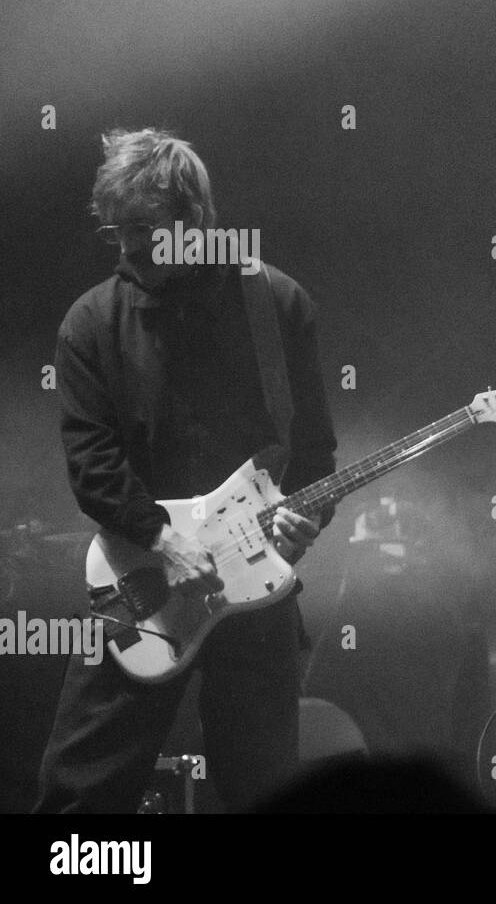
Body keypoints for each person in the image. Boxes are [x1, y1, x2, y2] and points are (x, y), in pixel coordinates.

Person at [35, 128, 338, 812]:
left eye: (142, 229)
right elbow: (92, 463)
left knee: (264, 790)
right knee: (79, 795)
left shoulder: (279, 304)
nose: (127, 249)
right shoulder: (92, 321)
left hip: (256, 590)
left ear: (195, 218)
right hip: (138, 579)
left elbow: (314, 450)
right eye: (116, 232)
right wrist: (164, 539)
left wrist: (305, 519)